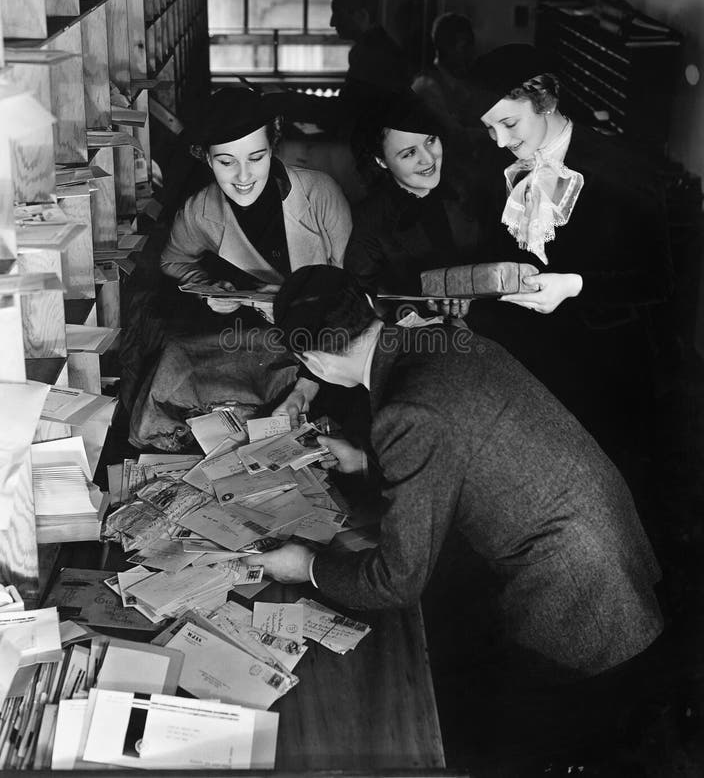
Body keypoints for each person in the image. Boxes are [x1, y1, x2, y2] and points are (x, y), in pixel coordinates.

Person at [247, 266, 663, 693]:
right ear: (370, 306)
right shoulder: (442, 338)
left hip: (576, 592)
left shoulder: (406, 414)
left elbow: (395, 582)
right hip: (604, 531)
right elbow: (466, 440)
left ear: (310, 361)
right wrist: (365, 462)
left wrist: (308, 566)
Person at [463, 44, 673, 466]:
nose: (501, 140)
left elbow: (658, 279)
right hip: (531, 363)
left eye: (508, 123)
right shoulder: (500, 168)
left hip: (603, 368)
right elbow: (494, 250)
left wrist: (573, 285)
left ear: (545, 100)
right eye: (490, 128)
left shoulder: (619, 168)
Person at [128, 87, 352, 450]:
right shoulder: (201, 210)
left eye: (257, 157)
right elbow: (172, 260)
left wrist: (290, 305)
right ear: (206, 158)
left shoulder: (320, 193)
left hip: (333, 336)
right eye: (226, 162)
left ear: (274, 144)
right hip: (266, 337)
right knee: (175, 370)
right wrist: (211, 289)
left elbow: (354, 292)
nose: (243, 176)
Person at [343, 91, 492, 319]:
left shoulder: (472, 187)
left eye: (430, 140)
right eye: (409, 153)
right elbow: (365, 300)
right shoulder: (367, 220)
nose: (429, 159)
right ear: (380, 161)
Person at [330, 0, 411, 114]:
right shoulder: (380, 48)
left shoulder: (371, 55)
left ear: (361, 15)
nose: (332, 23)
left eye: (338, 14)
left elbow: (348, 111)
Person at [412, 11, 477, 133]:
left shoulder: (461, 85)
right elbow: (454, 134)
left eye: (471, 45)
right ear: (445, 47)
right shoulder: (427, 87)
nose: (471, 52)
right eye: (464, 46)